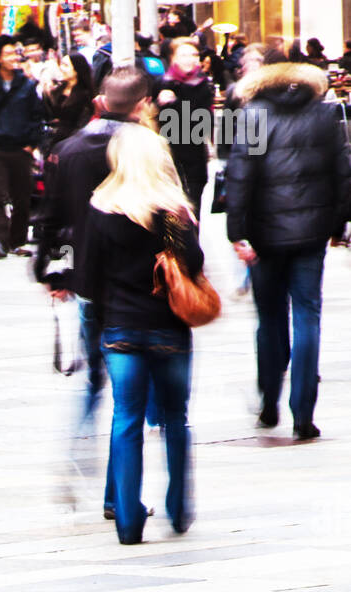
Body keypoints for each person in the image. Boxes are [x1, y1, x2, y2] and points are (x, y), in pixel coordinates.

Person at [36, 67, 151, 512]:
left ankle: (77, 458)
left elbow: (50, 217)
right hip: (135, 283)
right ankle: (117, 494)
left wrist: (49, 271)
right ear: (142, 104)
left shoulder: (68, 150)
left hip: (87, 280)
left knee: (96, 382)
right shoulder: (143, 150)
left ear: (101, 101)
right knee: (132, 392)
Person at [83, 123, 201, 545]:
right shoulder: (171, 211)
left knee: (126, 418)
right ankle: (178, 506)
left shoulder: (102, 209)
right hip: (168, 330)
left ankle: (128, 520)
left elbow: (88, 277)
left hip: (121, 330)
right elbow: (189, 265)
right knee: (175, 417)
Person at [226, 58, 351, 439]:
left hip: (265, 234)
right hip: (311, 233)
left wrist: (237, 232)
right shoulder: (324, 114)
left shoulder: (255, 115)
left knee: (270, 317)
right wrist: (338, 224)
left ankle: (268, 403)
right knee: (308, 315)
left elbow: (240, 175)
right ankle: (303, 413)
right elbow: (343, 173)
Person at [0, 35, 44, 259]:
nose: (13, 58)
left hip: (21, 148)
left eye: (15, 53)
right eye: (7, 54)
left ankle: (18, 241)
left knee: (22, 197)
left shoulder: (27, 85)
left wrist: (32, 144)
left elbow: (37, 116)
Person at [155, 37, 213, 220]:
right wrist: (159, 103)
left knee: (192, 207)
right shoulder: (161, 83)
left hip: (193, 154)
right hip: (165, 154)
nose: (190, 59)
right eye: (184, 54)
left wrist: (174, 103)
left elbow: (202, 121)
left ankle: (192, 245)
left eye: (194, 54)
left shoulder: (203, 85)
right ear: (173, 58)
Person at [42, 52, 93, 149]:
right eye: (61, 64)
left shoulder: (84, 95)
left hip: (72, 145)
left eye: (66, 65)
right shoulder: (57, 89)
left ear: (76, 70)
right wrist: (47, 94)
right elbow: (48, 114)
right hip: (52, 142)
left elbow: (82, 124)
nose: (61, 68)